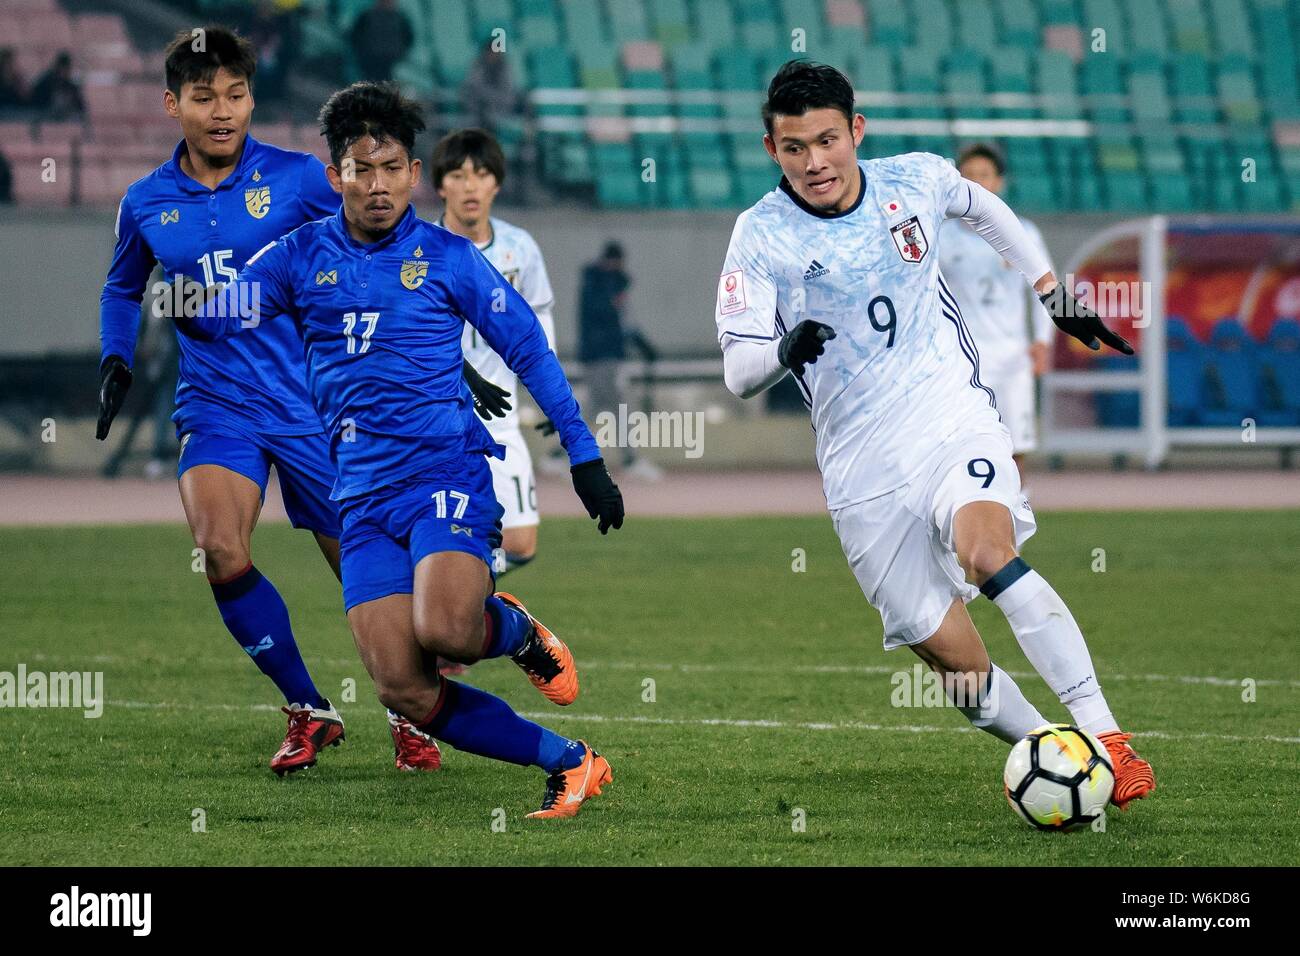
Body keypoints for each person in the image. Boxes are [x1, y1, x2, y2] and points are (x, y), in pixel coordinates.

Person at [714, 61, 1155, 810]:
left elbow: (984, 207)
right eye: (795, 149)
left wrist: (1050, 289)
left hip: (949, 416)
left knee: (987, 552)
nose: (815, 162)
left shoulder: (912, 181)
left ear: (856, 131)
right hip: (861, 471)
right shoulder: (759, 236)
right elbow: (735, 370)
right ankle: (1053, 752)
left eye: (827, 140)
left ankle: (1107, 738)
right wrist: (782, 351)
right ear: (771, 149)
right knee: (959, 671)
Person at [180, 81, 624, 818]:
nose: (377, 185)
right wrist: (181, 309)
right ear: (336, 177)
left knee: (446, 629)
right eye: (361, 169)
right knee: (404, 689)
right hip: (359, 496)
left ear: (414, 174)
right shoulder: (296, 257)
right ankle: (571, 762)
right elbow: (223, 315)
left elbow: (530, 352)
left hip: (442, 473)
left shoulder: (448, 258)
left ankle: (510, 628)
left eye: (391, 169)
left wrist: (583, 455)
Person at [95, 26, 497, 777]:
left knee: (365, 571)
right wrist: (116, 356)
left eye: (237, 95)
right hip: (215, 402)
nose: (223, 110)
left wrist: (439, 354)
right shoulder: (145, 201)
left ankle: (406, 705)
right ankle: (309, 708)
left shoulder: (303, 178)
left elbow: (390, 241)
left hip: (317, 406)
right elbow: (123, 287)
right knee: (218, 548)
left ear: (252, 99)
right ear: (170, 103)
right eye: (204, 96)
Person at [433, 127, 553, 579]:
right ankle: (445, 608)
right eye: (459, 175)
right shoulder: (419, 250)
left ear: (496, 184)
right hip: (437, 423)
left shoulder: (519, 249)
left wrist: (548, 393)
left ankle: (450, 588)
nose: (470, 186)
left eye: (481, 175)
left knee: (520, 543)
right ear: (440, 184)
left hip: (499, 423)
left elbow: (539, 323)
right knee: (445, 535)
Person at [938, 143, 1054, 475]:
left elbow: (1044, 288)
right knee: (965, 443)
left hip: (1012, 356)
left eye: (984, 175)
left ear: (999, 182)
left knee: (1017, 446)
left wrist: (1043, 340)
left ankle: (1014, 514)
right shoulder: (941, 236)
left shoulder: (1023, 232)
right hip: (963, 359)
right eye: (969, 175)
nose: (977, 182)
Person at [578, 242, 661, 479]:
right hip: (601, 356)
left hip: (606, 356)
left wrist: (642, 346)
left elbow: (624, 322)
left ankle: (559, 454)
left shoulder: (603, 284)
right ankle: (629, 460)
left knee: (596, 407)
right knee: (617, 406)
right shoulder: (598, 285)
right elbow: (611, 317)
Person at [459, 37, 520, 133]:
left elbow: (508, 92)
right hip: (477, 109)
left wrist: (493, 100)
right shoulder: (477, 65)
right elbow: (473, 88)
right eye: (492, 52)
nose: (494, 55)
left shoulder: (506, 67)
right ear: (486, 52)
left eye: (497, 52)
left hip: (500, 109)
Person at [348, 0, 413, 83]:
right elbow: (355, 36)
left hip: (388, 59)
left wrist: (401, 52)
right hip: (370, 59)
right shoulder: (367, 15)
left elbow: (408, 38)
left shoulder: (400, 18)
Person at [29, 51, 83, 119]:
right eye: (66, 68)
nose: (67, 72)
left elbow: (80, 106)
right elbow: (37, 99)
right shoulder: (47, 80)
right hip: (40, 109)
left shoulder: (67, 83)